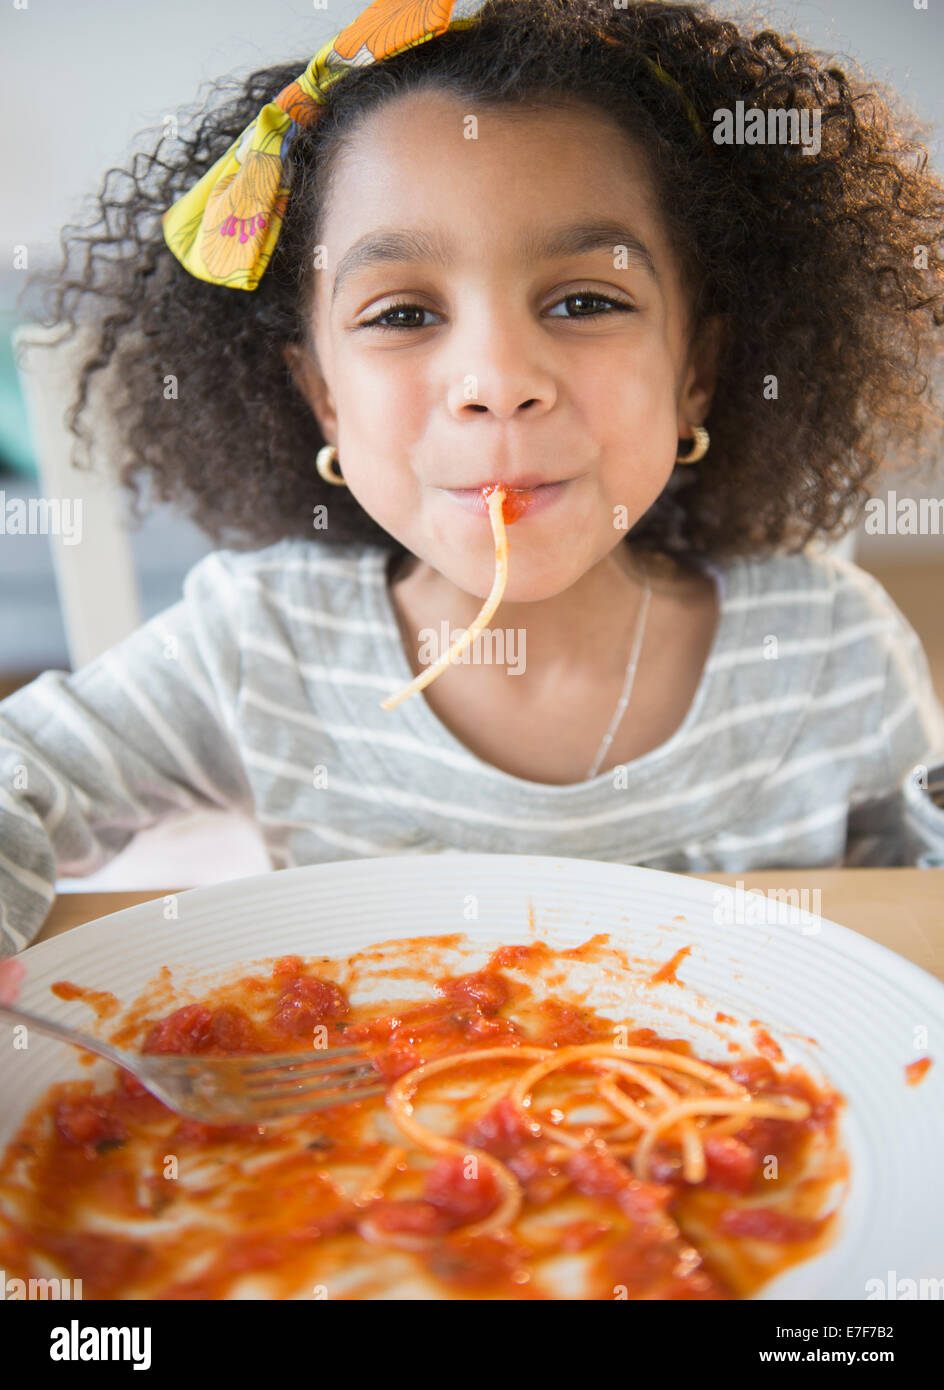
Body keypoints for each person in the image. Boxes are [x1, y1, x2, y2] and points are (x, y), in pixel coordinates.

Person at [2, 0, 943, 959]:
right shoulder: (259, 646)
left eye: (585, 300)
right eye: (402, 315)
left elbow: (912, 934)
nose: (496, 384)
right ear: (323, 397)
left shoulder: (835, 656)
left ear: (692, 372)